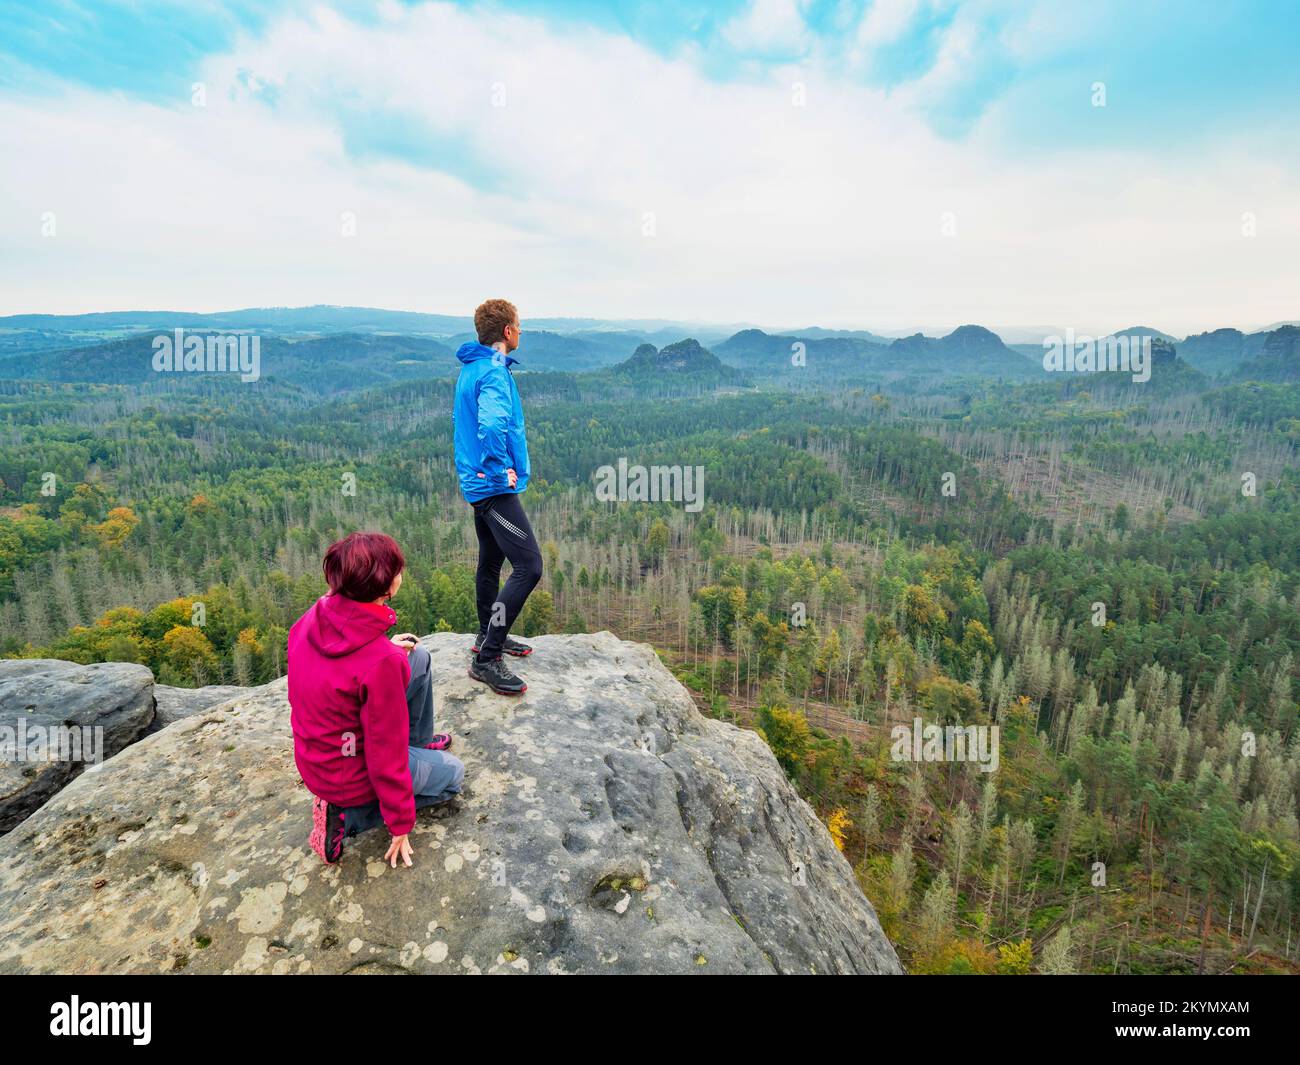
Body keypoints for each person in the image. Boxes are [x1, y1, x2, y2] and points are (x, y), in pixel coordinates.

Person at [288, 531, 464, 867]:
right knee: (454, 775)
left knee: (420, 658)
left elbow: (330, 676)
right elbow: (384, 754)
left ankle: (418, 744)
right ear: (385, 585)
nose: (401, 574)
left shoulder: (314, 616)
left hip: (319, 752)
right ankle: (347, 817)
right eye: (397, 570)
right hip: (347, 772)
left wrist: (383, 651)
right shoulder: (381, 662)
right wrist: (400, 822)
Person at [453, 298, 543, 695]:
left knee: (490, 563)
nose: (521, 330)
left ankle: (487, 633)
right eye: (518, 325)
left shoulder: (473, 367)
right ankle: (487, 657)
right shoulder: (493, 372)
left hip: (477, 485)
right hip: (492, 488)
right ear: (507, 332)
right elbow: (490, 425)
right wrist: (496, 472)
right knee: (529, 566)